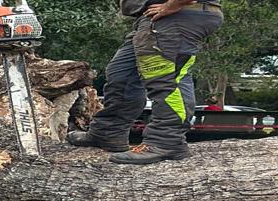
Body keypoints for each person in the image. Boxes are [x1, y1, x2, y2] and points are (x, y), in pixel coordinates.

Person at [68, 1, 224, 165]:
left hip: (176, 15)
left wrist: (172, 4)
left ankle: (166, 141)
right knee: (122, 75)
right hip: (155, 18)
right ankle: (108, 131)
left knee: (166, 81)